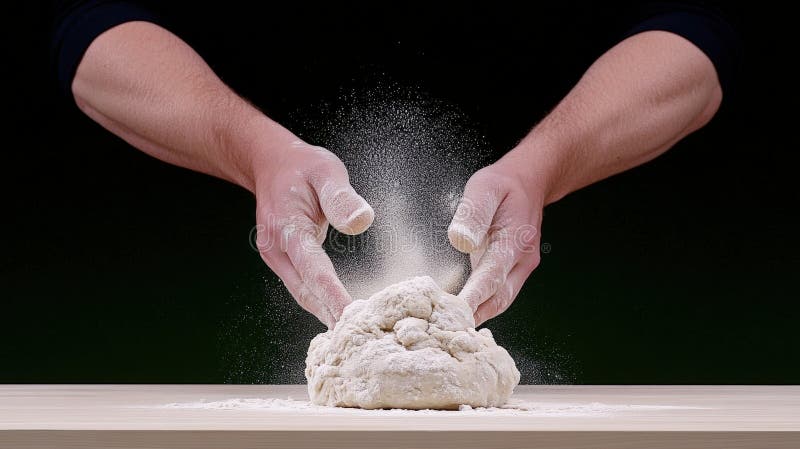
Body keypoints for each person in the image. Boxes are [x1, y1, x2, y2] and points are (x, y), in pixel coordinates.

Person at [51, 2, 737, 328]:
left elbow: (698, 45)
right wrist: (254, 149)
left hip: (562, 252)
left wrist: (543, 163)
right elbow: (87, 31)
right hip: (221, 249)